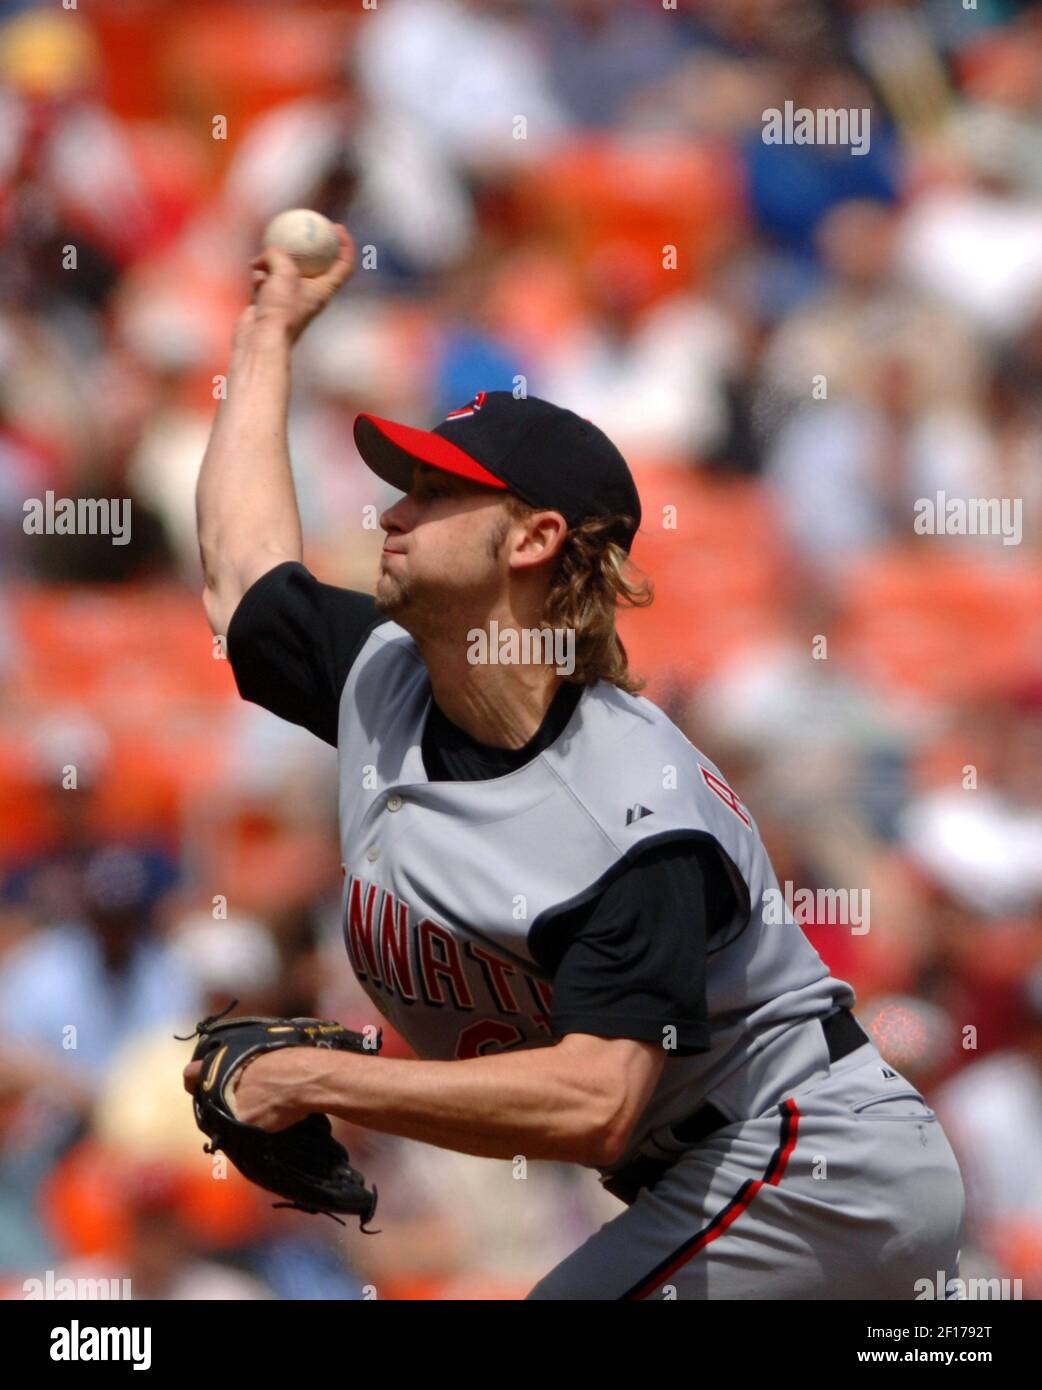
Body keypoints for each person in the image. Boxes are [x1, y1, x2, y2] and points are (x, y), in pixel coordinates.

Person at [185, 226, 965, 1300]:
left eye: (434, 490)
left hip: (815, 1165)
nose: (390, 511)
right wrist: (266, 330)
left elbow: (596, 1095)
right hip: (702, 1180)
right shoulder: (384, 676)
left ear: (533, 538)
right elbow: (241, 572)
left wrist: (320, 1077)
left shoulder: (628, 806)